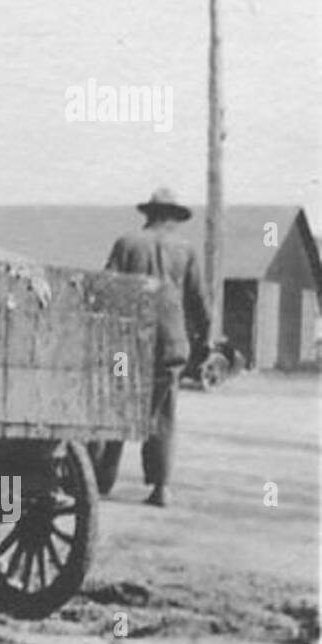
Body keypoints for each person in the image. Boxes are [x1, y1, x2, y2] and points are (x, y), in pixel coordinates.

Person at [90, 188, 210, 507]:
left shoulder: (127, 243)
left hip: (128, 339)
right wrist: (205, 339)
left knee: (116, 403)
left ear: (149, 214)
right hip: (171, 342)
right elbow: (199, 300)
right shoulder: (186, 249)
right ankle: (161, 488)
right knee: (163, 414)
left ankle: (100, 480)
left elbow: (106, 286)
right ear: (174, 217)